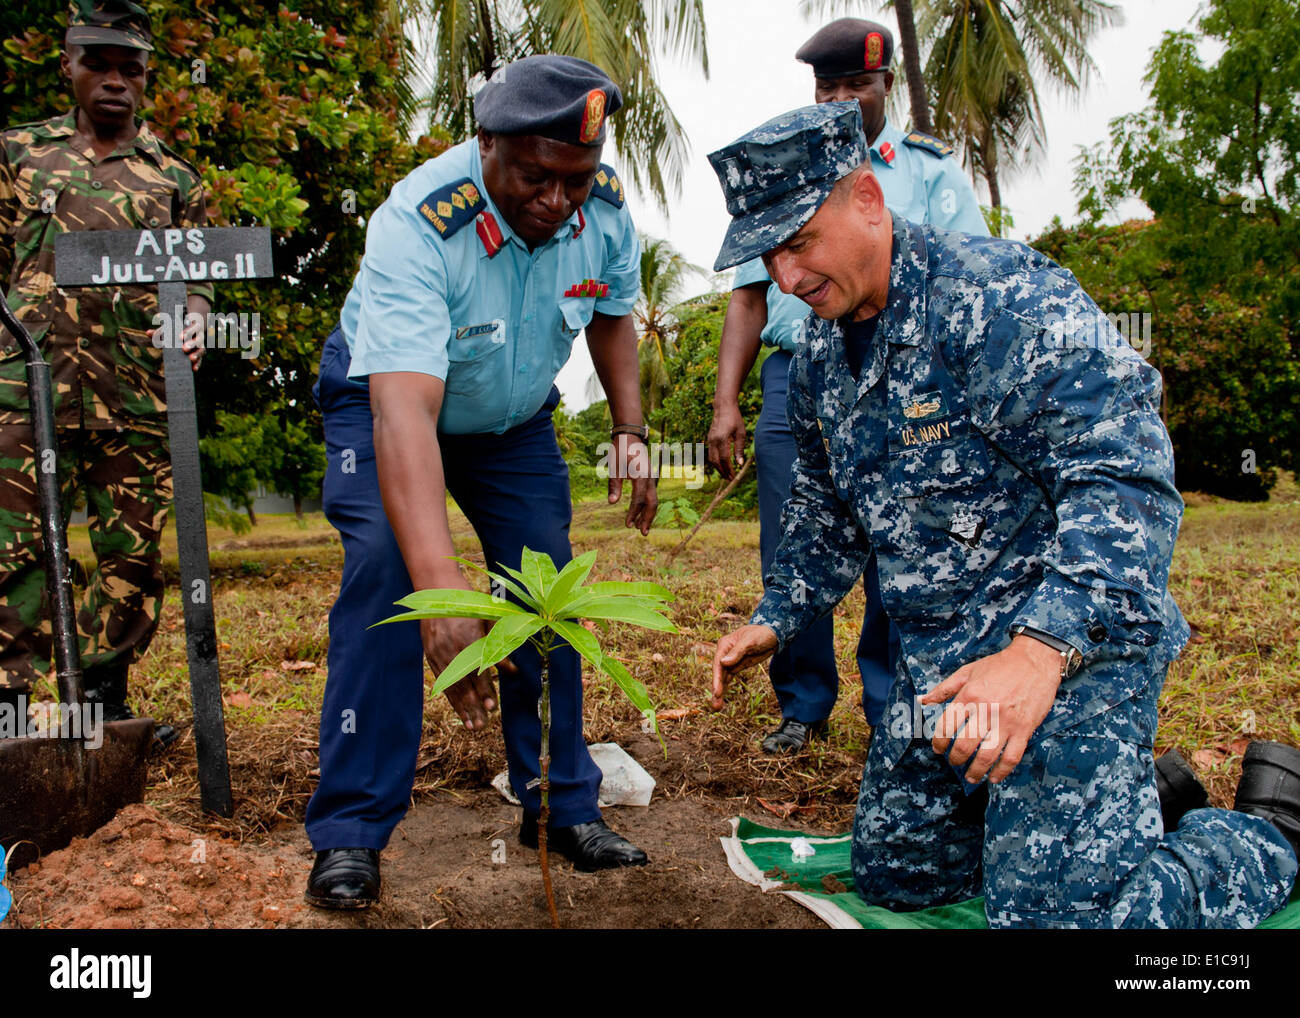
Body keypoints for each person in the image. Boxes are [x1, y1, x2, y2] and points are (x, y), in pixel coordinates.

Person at [707, 101, 1300, 927]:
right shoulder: (816, 353)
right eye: (769, 254)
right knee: (899, 879)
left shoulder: (999, 299)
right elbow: (828, 501)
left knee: (1061, 922)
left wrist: (1039, 650)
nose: (786, 277)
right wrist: (778, 615)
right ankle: (1126, 805)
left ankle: (1267, 834)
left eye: (800, 241)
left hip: (1070, 657)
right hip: (944, 677)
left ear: (869, 201)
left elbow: (1126, 473)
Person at [305, 55, 657, 910]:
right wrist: (443, 591)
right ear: (487, 142)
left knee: (548, 592)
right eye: (536, 176)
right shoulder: (418, 223)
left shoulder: (602, 212)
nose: (557, 200)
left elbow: (612, 314)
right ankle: (352, 830)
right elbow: (402, 418)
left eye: (574, 181)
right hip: (384, 404)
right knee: (391, 577)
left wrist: (630, 428)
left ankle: (562, 806)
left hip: (511, 422)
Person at [706, 18, 988, 752]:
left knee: (910, 538)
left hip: (917, 385)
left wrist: (1048, 646)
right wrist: (725, 401)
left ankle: (898, 707)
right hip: (813, 377)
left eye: (853, 84)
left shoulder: (932, 185)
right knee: (803, 524)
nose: (789, 279)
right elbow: (825, 516)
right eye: (825, 85)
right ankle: (803, 702)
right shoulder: (784, 181)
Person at [0, 0, 209, 744]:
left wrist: (199, 315)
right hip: (26, 389)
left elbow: (198, 274)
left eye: (131, 69)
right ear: (69, 66)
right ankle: (12, 720)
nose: (114, 81)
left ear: (146, 78)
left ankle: (103, 711)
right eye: (99, 64)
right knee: (15, 549)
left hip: (135, 391)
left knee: (132, 553)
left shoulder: (174, 175)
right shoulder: (17, 153)